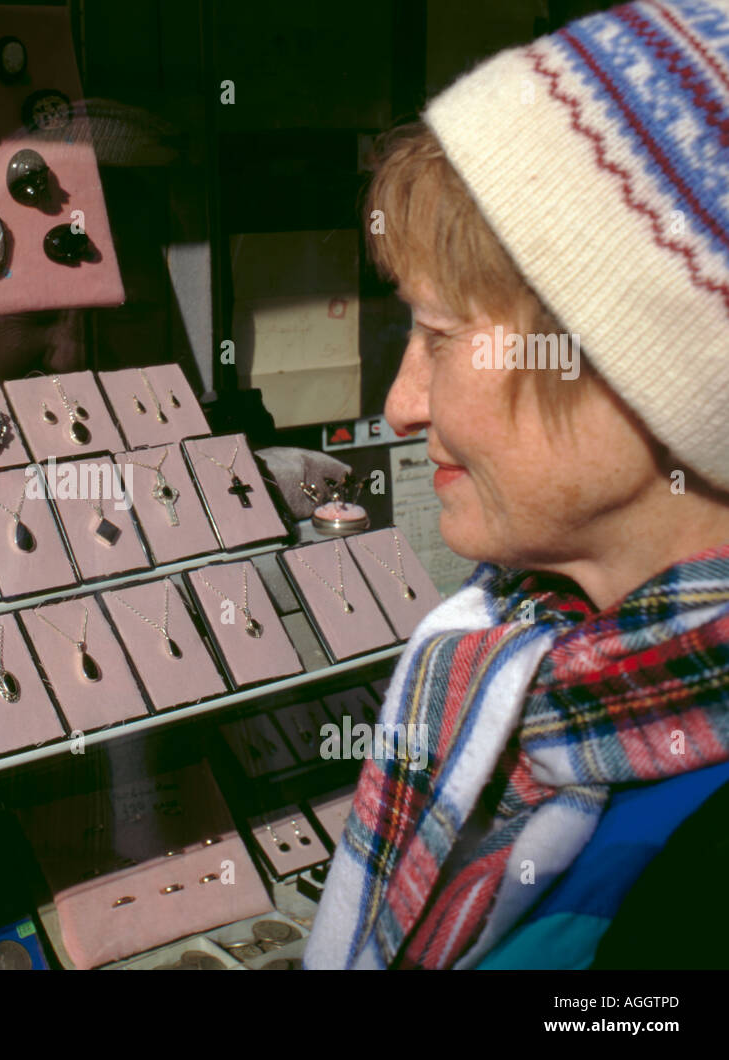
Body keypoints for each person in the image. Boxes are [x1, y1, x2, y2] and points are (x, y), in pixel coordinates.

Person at [304, 0, 729, 969]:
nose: (402, 405)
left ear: (639, 366)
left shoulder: (697, 884)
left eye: (438, 337)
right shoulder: (519, 664)